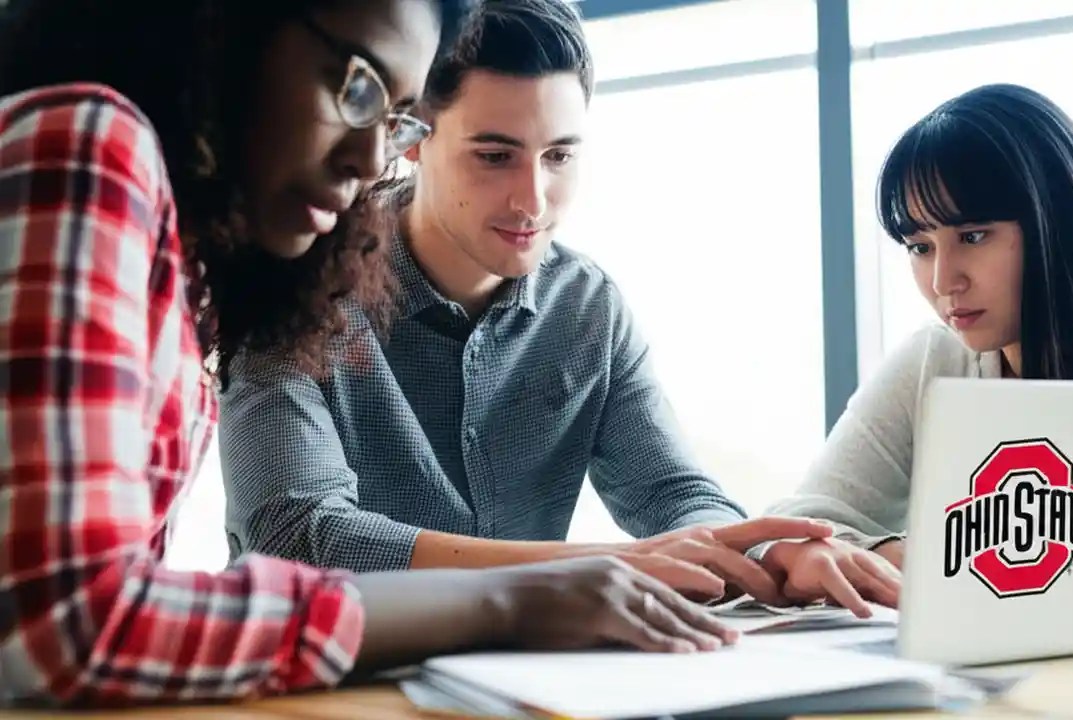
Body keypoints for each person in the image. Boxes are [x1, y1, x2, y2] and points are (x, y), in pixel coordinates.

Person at [0, 0, 742, 707]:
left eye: (390, 114)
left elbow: (674, 491)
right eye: (356, 86)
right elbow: (72, 621)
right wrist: (524, 593)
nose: (366, 157)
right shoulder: (98, 147)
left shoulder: (217, 268)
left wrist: (762, 557)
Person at [216, 0, 882, 610]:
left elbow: (670, 494)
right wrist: (602, 566)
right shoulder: (295, 282)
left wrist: (766, 550)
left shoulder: (586, 306)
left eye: (559, 155)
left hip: (526, 685)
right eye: (495, 156)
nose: (532, 200)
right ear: (411, 134)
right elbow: (299, 536)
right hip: (323, 684)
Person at [760, 83, 1073, 623]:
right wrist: (818, 552)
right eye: (920, 247)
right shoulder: (933, 361)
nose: (943, 281)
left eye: (975, 236)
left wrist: (1060, 574)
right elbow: (799, 524)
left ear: (1056, 222)